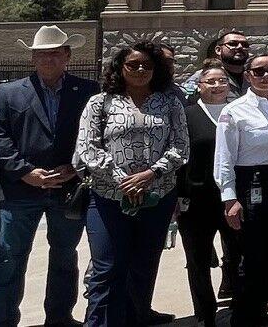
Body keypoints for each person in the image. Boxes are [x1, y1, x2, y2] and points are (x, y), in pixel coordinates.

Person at [0, 25, 98, 327]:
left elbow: (95, 135)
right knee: (10, 260)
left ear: (67, 56)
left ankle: (60, 317)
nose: (49, 60)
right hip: (19, 192)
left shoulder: (88, 91)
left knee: (65, 257)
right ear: (33, 58)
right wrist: (25, 172)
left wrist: (76, 166)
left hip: (67, 189)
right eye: (42, 55)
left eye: (55, 54)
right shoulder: (8, 92)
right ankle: (4, 320)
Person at [74, 42, 189, 327]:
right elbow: (87, 148)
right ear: (119, 69)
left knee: (143, 266)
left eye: (146, 65)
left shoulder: (170, 102)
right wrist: (120, 178)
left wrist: (150, 174)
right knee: (107, 266)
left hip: (157, 197)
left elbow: (180, 147)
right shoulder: (100, 103)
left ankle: (133, 318)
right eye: (132, 65)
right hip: (108, 197)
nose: (140, 70)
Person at [214, 53, 268, 325]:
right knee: (252, 253)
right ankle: (245, 315)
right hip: (251, 182)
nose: (266, 76)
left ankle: (260, 310)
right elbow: (224, 158)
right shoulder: (234, 111)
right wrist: (229, 198)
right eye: (259, 71)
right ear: (247, 75)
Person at [177, 63, 237, 327]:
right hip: (196, 199)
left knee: (237, 255)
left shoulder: (237, 112)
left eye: (221, 81)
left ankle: (239, 307)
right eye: (210, 81)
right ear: (199, 86)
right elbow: (178, 158)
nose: (216, 86)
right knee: (198, 260)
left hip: (232, 199)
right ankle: (205, 314)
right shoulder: (187, 115)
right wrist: (177, 196)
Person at [181, 30, 250, 100]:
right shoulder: (202, 76)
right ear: (218, 50)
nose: (240, 47)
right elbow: (186, 101)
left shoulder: (255, 76)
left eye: (245, 45)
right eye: (233, 44)